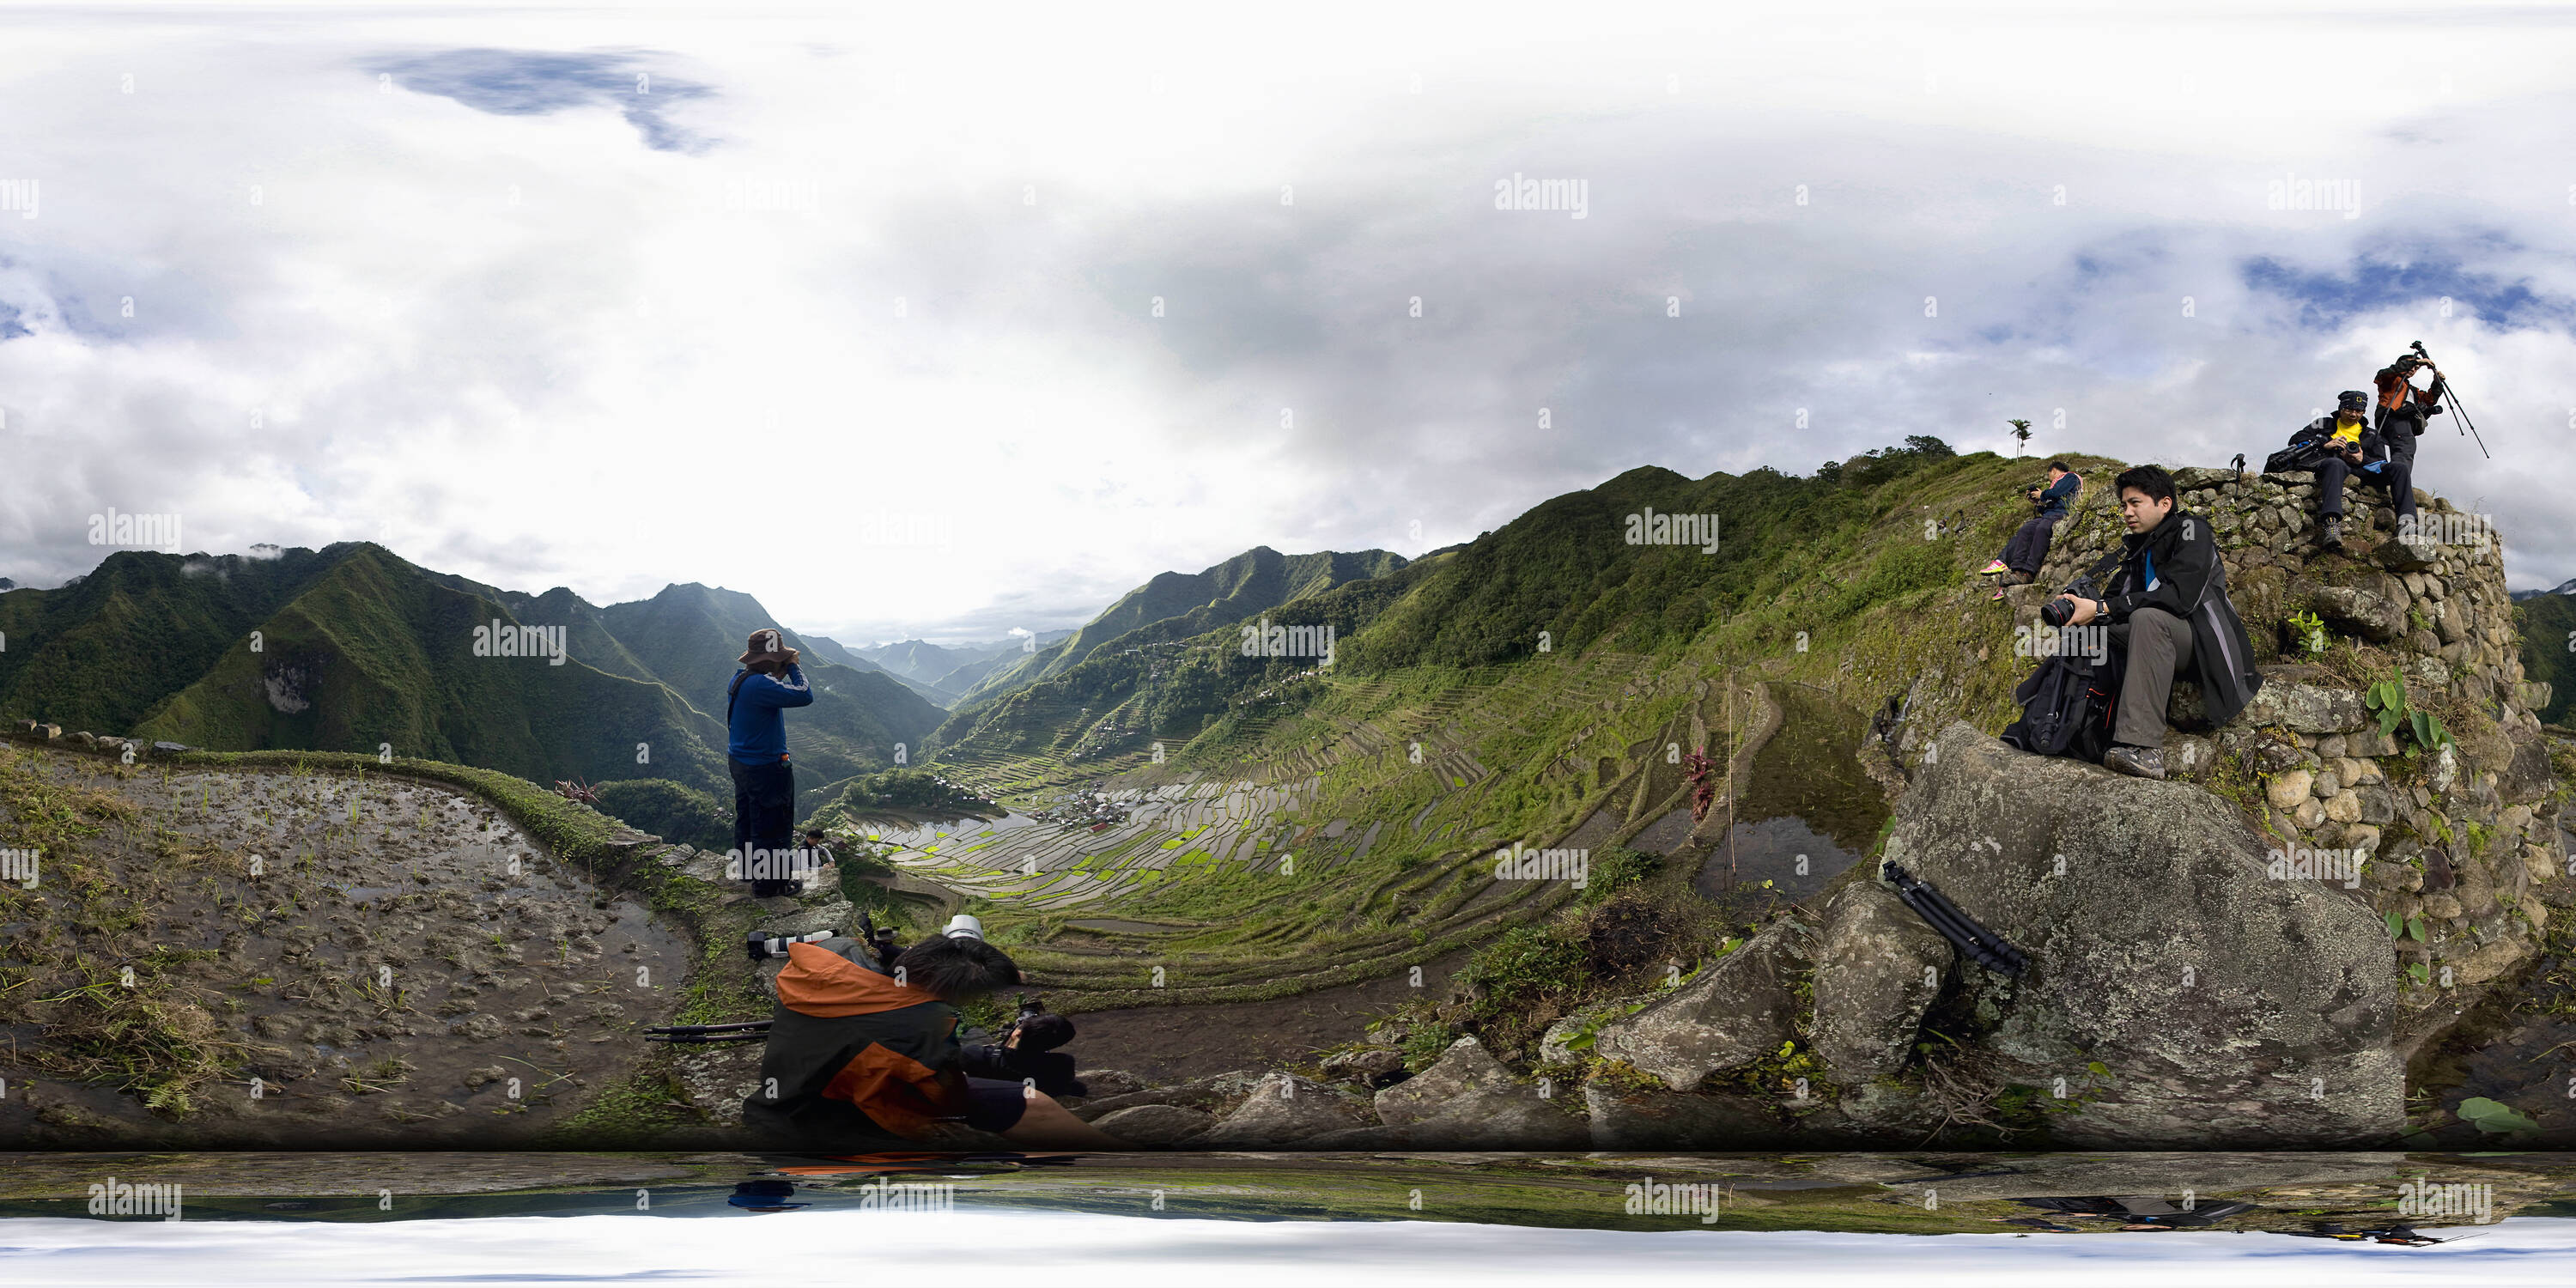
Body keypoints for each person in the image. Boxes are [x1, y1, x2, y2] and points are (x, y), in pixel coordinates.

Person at [739, 918, 1127, 1151]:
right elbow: (948, 1097)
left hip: (780, 1096)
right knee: (1034, 1103)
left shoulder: (831, 954)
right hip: (827, 1120)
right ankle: (1123, 1161)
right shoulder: (925, 1025)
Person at [2044, 465, 2263, 781]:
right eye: (2123, 505)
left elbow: (2181, 598)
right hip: (2157, 641)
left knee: (2147, 617)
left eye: (2136, 503)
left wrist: (2103, 607)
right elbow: (2113, 602)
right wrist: (2085, 610)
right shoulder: (2138, 549)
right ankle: (2068, 726)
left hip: (2201, 642)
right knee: (2089, 627)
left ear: (2165, 504)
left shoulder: (2192, 531)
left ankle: (2144, 749)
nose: (2127, 512)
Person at [728, 629, 814, 898]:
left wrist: (781, 665)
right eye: (779, 658)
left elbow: (771, 680)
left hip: (741, 763)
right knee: (774, 826)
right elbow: (804, 694)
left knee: (749, 819)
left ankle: (748, 869)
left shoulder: (742, 678)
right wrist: (794, 666)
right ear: (770, 659)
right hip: (766, 768)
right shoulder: (760, 685)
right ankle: (772, 886)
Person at [2277, 391, 2418, 552]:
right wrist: (2326, 443)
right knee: (2336, 463)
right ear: (2340, 408)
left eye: (2358, 411)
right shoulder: (2323, 424)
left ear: (2364, 412)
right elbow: (2296, 439)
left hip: (2363, 470)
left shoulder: (2372, 434)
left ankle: (2407, 523)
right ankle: (2332, 524)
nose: (2353, 414)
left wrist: (2361, 459)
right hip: (2332, 466)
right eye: (2349, 409)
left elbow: (2380, 461)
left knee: (2399, 467)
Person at [1982, 461, 2081, 601]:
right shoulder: (2056, 486)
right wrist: (2037, 503)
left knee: (2042, 529)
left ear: (2053, 471)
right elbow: (2049, 505)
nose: (2050, 479)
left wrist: (2043, 494)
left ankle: (2028, 573)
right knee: (2025, 530)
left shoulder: (2070, 477)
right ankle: (2016, 570)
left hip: (2063, 514)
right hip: (2050, 515)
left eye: (2049, 476)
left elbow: (2057, 493)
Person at [2372, 352, 2446, 469]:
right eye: (2411, 366)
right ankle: (2400, 479)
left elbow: (2429, 400)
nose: (2413, 369)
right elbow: (2385, 374)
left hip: (2405, 422)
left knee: (2404, 447)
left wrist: (2437, 383)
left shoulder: (2411, 390)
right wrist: (2417, 361)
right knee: (2405, 446)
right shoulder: (2391, 379)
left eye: (2416, 368)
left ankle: (2395, 475)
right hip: (2393, 417)